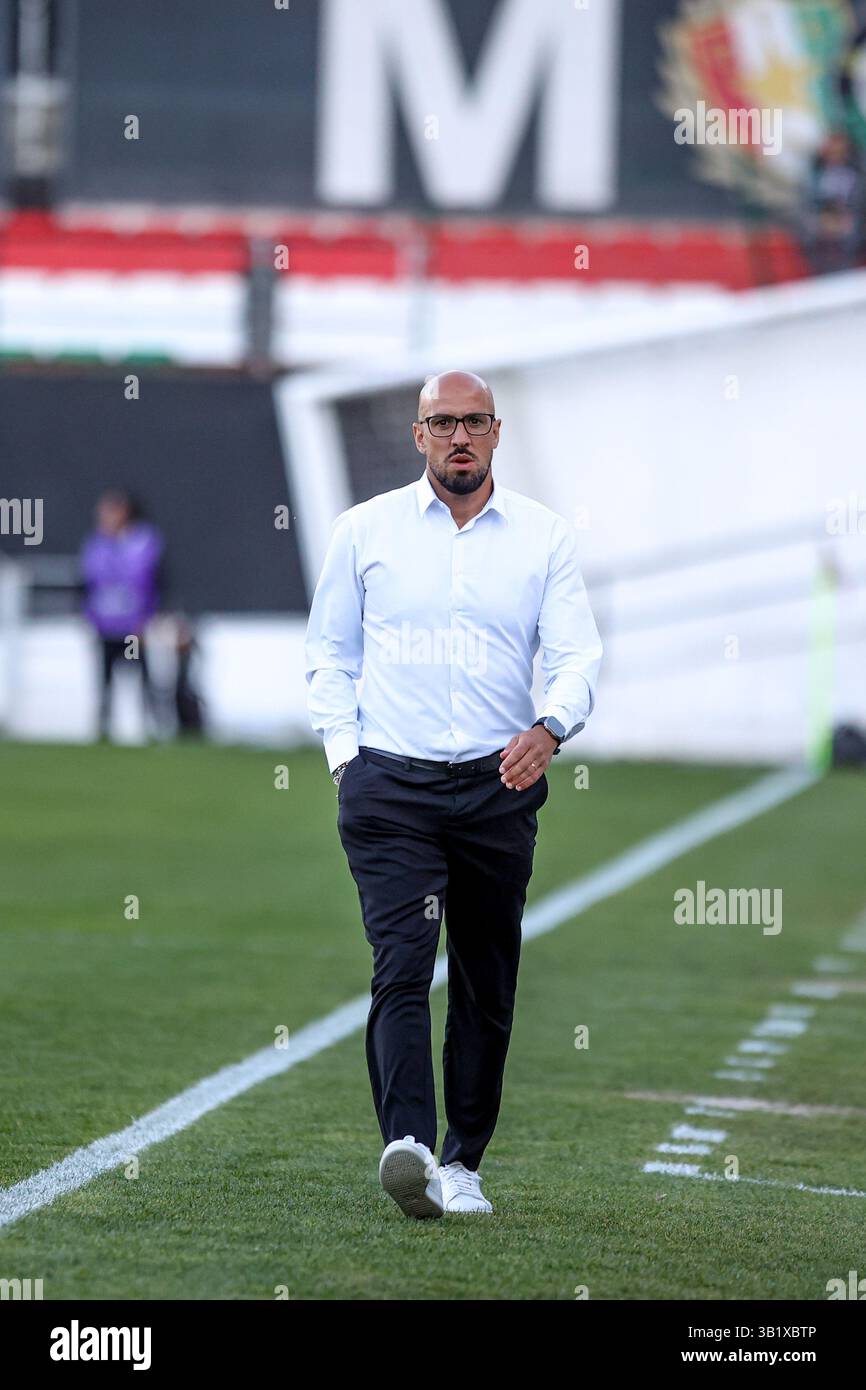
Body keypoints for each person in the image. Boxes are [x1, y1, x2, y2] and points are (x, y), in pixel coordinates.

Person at [304, 370, 602, 1219]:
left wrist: (551, 728)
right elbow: (329, 653)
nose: (459, 436)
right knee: (400, 964)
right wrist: (343, 758)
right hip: (389, 786)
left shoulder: (544, 538)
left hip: (498, 787)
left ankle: (464, 1163)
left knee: (485, 976)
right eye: (443, 422)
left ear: (497, 432)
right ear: (419, 435)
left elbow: (578, 654)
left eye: (474, 421)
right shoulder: (365, 531)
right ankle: (408, 1146)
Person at [80, 490, 163, 739]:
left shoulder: (143, 543)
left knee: (142, 679)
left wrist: (148, 619)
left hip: (132, 628)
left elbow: (155, 582)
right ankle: (103, 731)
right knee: (104, 680)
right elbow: (87, 585)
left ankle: (154, 730)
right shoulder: (95, 545)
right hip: (106, 627)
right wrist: (89, 617)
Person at [803, 130, 865, 275]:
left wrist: (852, 219)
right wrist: (822, 220)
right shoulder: (816, 175)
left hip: (854, 223)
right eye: (831, 151)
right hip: (824, 224)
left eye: (839, 151)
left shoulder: (858, 174)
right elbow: (808, 205)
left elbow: (860, 202)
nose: (835, 155)